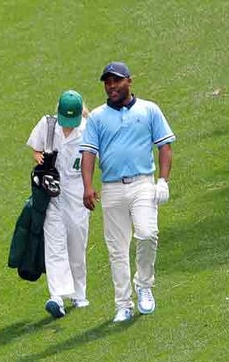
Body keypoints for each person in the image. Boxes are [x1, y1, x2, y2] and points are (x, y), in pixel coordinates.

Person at [79, 61, 175, 323]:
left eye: (116, 81)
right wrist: (88, 186)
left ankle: (144, 285)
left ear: (129, 81)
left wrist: (163, 181)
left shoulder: (149, 110)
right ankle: (123, 304)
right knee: (117, 249)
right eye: (107, 82)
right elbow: (88, 153)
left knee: (147, 233)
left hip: (143, 183)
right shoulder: (97, 117)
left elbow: (165, 146)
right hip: (111, 189)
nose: (111, 86)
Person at [26, 89, 92, 318]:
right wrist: (38, 157)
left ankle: (79, 293)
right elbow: (35, 147)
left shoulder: (88, 129)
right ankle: (57, 297)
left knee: (76, 243)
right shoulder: (48, 125)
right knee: (54, 245)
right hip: (51, 192)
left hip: (77, 193)